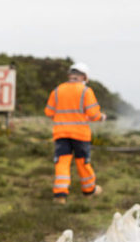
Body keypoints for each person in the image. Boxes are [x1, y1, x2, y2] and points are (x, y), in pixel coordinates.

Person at [45, 62, 106, 204]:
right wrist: (101, 117)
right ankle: (89, 191)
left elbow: (49, 112)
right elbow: (93, 113)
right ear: (84, 77)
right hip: (80, 134)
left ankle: (60, 195)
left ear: (70, 75)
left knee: (62, 163)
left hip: (61, 133)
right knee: (83, 163)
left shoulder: (57, 90)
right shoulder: (85, 91)